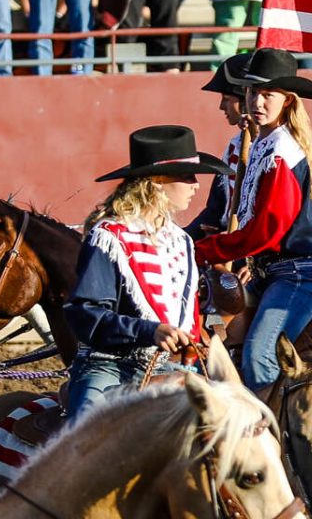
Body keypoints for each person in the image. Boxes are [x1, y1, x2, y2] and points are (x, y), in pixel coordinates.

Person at [61, 123, 227, 421]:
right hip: (109, 367)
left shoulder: (182, 242)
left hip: (173, 367)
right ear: (158, 182)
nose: (196, 185)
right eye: (187, 176)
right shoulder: (109, 237)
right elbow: (85, 313)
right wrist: (149, 331)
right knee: (83, 440)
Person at [192, 50, 312, 395]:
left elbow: (267, 231)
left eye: (268, 94)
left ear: (287, 101)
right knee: (213, 346)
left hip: (294, 274)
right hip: (265, 274)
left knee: (260, 356)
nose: (258, 101)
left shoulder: (282, 152)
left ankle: (270, 442)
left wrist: (207, 250)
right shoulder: (263, 145)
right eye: (253, 93)